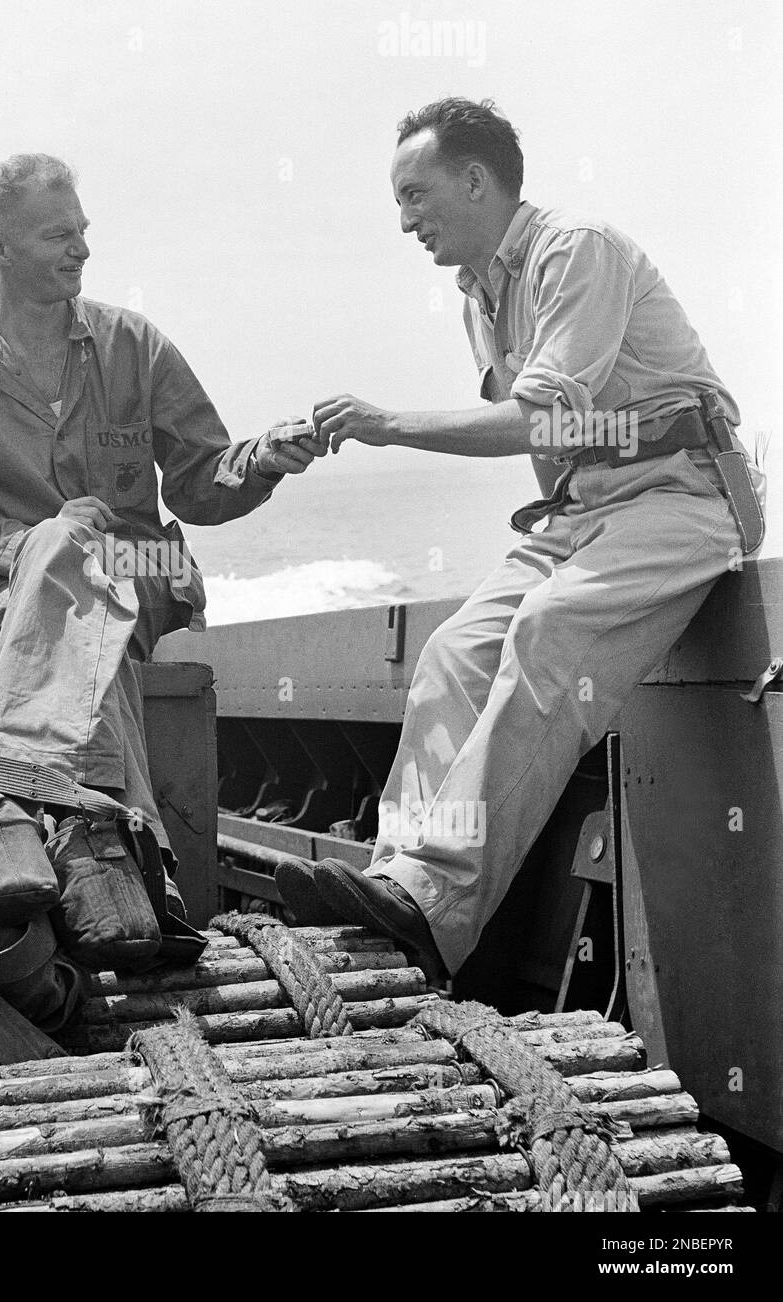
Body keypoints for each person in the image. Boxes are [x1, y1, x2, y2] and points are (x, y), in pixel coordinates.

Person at [277, 96, 765, 985]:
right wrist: (562, 524)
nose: (405, 221)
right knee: (453, 655)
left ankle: (434, 905)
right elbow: (548, 451)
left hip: (680, 496)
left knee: (547, 631)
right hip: (586, 509)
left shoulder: (576, 250)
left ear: (475, 179)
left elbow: (537, 417)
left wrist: (384, 424)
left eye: (415, 195)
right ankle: (395, 887)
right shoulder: (482, 296)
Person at [0, 153, 322, 898]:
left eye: (82, 229)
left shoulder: (135, 345)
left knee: (100, 579)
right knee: (78, 582)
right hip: (9, 591)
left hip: (145, 571)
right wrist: (30, 541)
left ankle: (22, 799)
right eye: (58, 234)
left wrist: (261, 461)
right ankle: (130, 853)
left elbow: (198, 482)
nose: (83, 248)